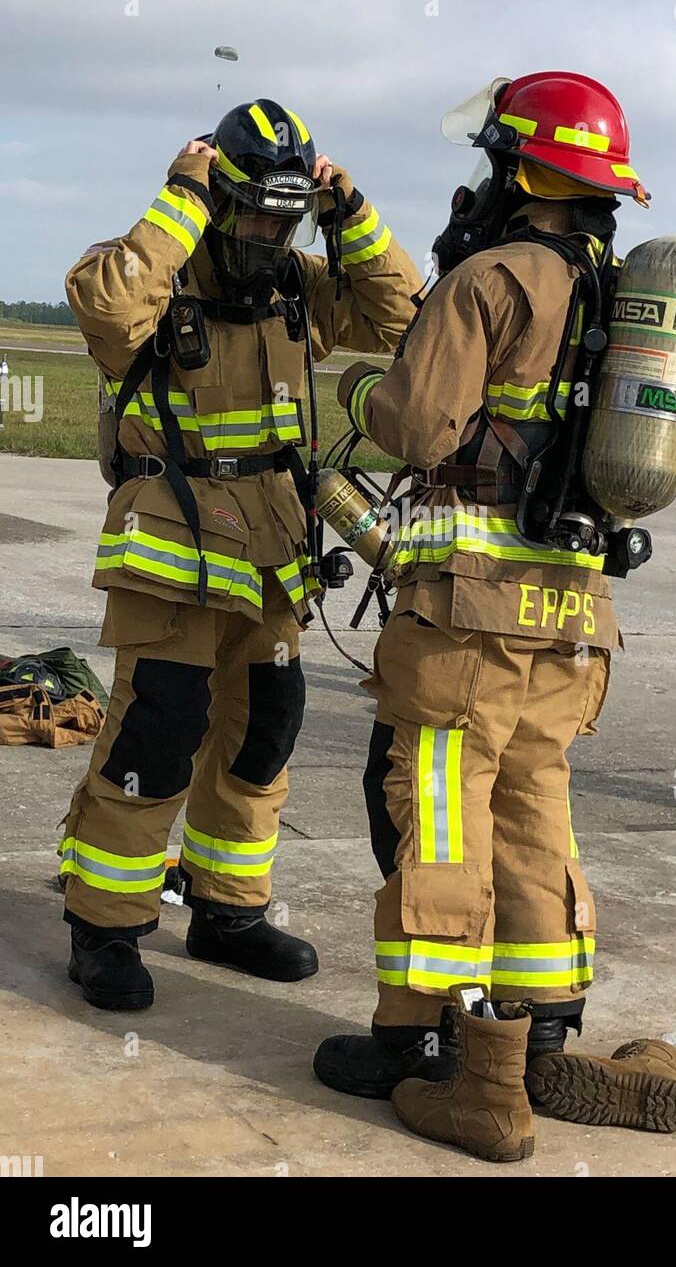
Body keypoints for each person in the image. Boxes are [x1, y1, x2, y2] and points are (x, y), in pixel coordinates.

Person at [313, 72, 676, 1157]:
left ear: (516, 169)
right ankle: (541, 1040)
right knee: (534, 819)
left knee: (435, 809)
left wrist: (360, 393)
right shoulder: (619, 294)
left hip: (462, 626)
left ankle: (433, 1053)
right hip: (572, 621)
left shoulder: (493, 278)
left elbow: (419, 426)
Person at [61, 98, 421, 1011]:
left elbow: (401, 318)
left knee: (263, 729)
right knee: (159, 730)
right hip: (176, 542)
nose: (269, 230)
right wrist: (183, 196)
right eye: (255, 209)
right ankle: (105, 924)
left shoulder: (297, 285)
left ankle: (227, 911)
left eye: (284, 213)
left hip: (269, 543)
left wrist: (351, 213)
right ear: (219, 196)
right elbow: (106, 310)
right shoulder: (152, 268)